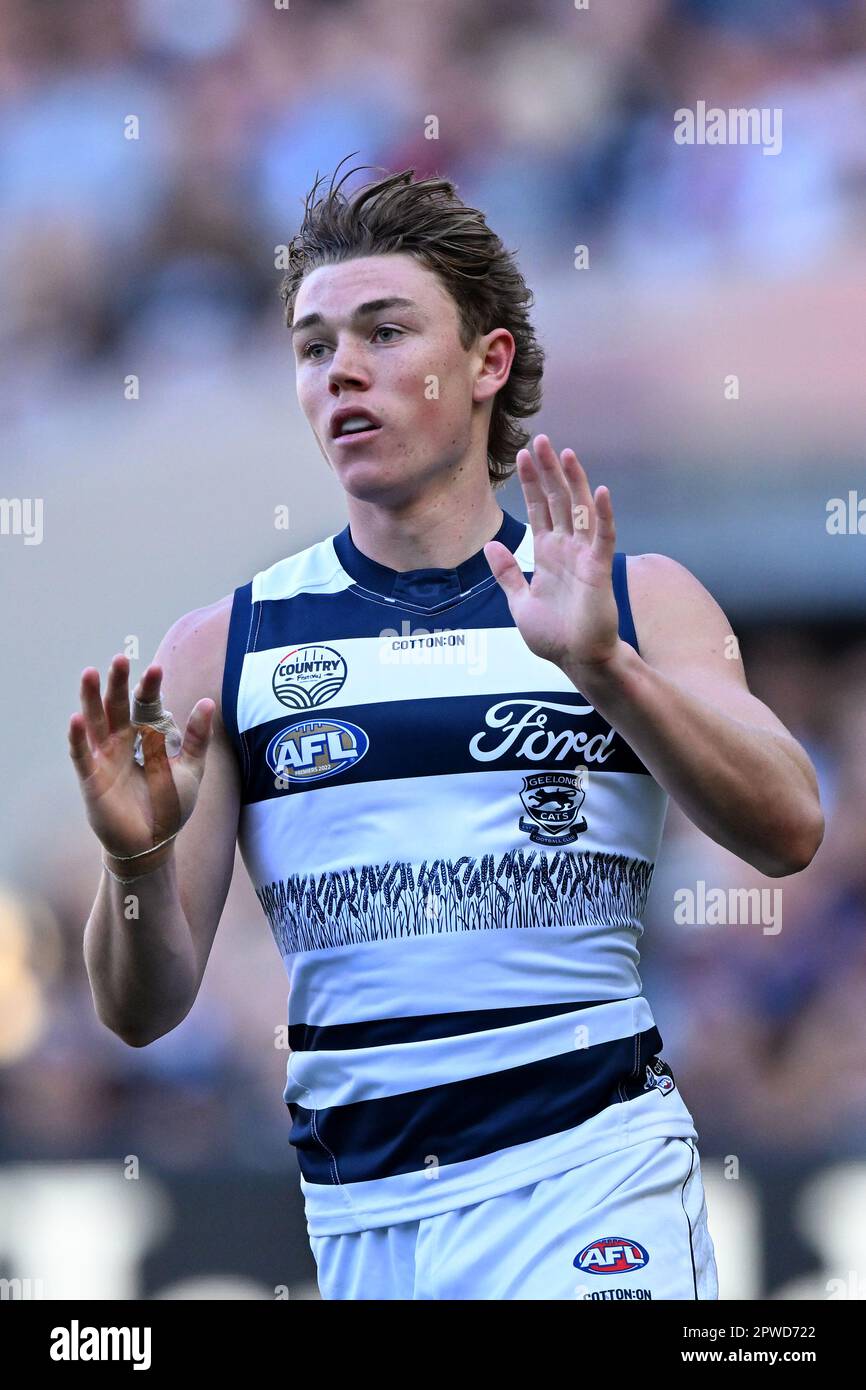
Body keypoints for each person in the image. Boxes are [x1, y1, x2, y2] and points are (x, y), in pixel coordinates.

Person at [69, 161, 825, 1301]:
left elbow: (789, 825)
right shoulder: (224, 646)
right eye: (315, 346)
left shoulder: (634, 599)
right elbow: (139, 1009)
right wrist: (131, 863)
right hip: (363, 1217)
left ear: (487, 362)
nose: (343, 372)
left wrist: (604, 669)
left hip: (587, 1179)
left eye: (383, 331)